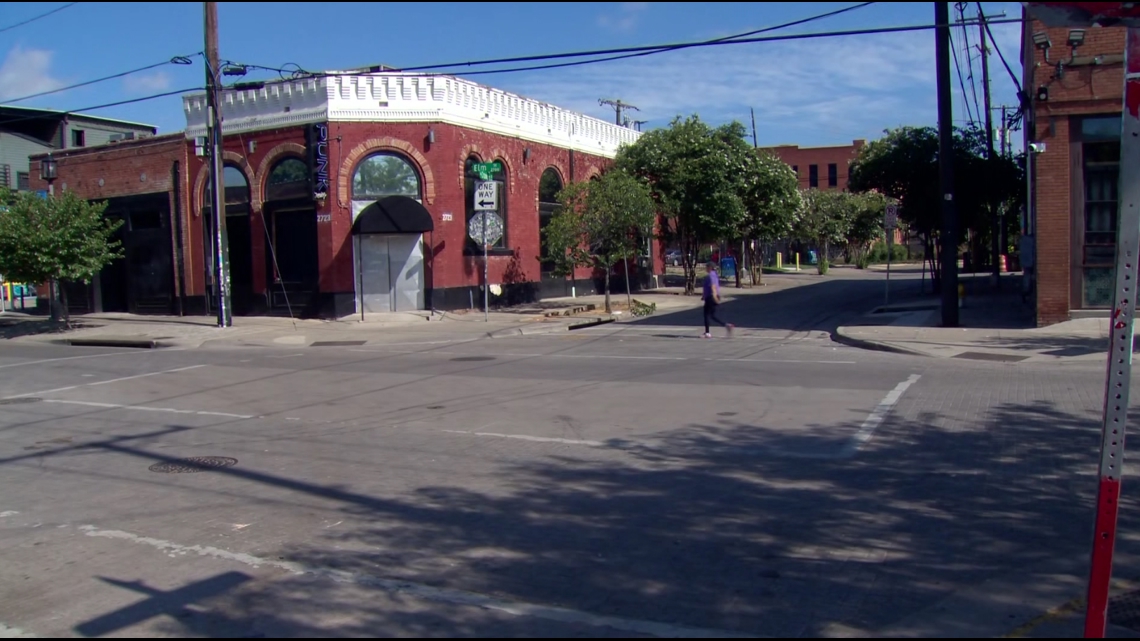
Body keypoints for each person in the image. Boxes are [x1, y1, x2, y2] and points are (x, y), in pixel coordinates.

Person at [701, 261, 734, 338]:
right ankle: (727, 325)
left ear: (710, 268)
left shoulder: (710, 276)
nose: (706, 268)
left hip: (711, 297)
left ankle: (707, 333)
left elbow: (713, 286)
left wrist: (714, 296)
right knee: (712, 315)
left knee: (706, 314)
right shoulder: (715, 275)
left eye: (707, 267)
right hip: (712, 296)